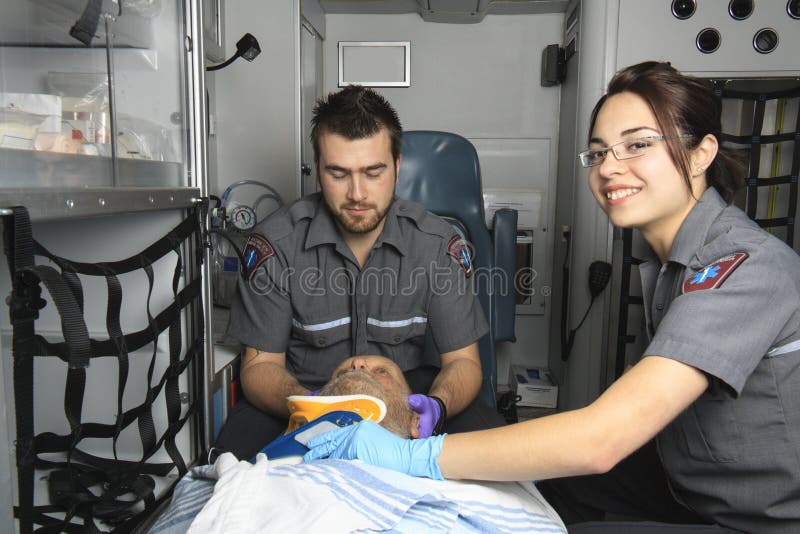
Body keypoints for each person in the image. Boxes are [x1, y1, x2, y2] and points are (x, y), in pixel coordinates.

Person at [303, 61, 800, 533]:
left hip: (755, 520)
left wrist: (412, 455)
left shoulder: (743, 268)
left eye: (638, 145)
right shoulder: (673, 268)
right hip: (681, 485)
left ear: (701, 153)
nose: (610, 169)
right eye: (600, 152)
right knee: (529, 491)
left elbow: (601, 440)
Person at [215, 85, 505, 460]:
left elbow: (463, 363)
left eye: (373, 172)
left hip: (406, 394)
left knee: (495, 459)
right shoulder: (275, 245)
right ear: (317, 170)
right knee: (230, 470)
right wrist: (311, 404)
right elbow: (260, 367)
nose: (356, 194)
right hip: (304, 392)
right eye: (338, 173)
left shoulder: (436, 244)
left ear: (397, 167)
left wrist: (437, 406)